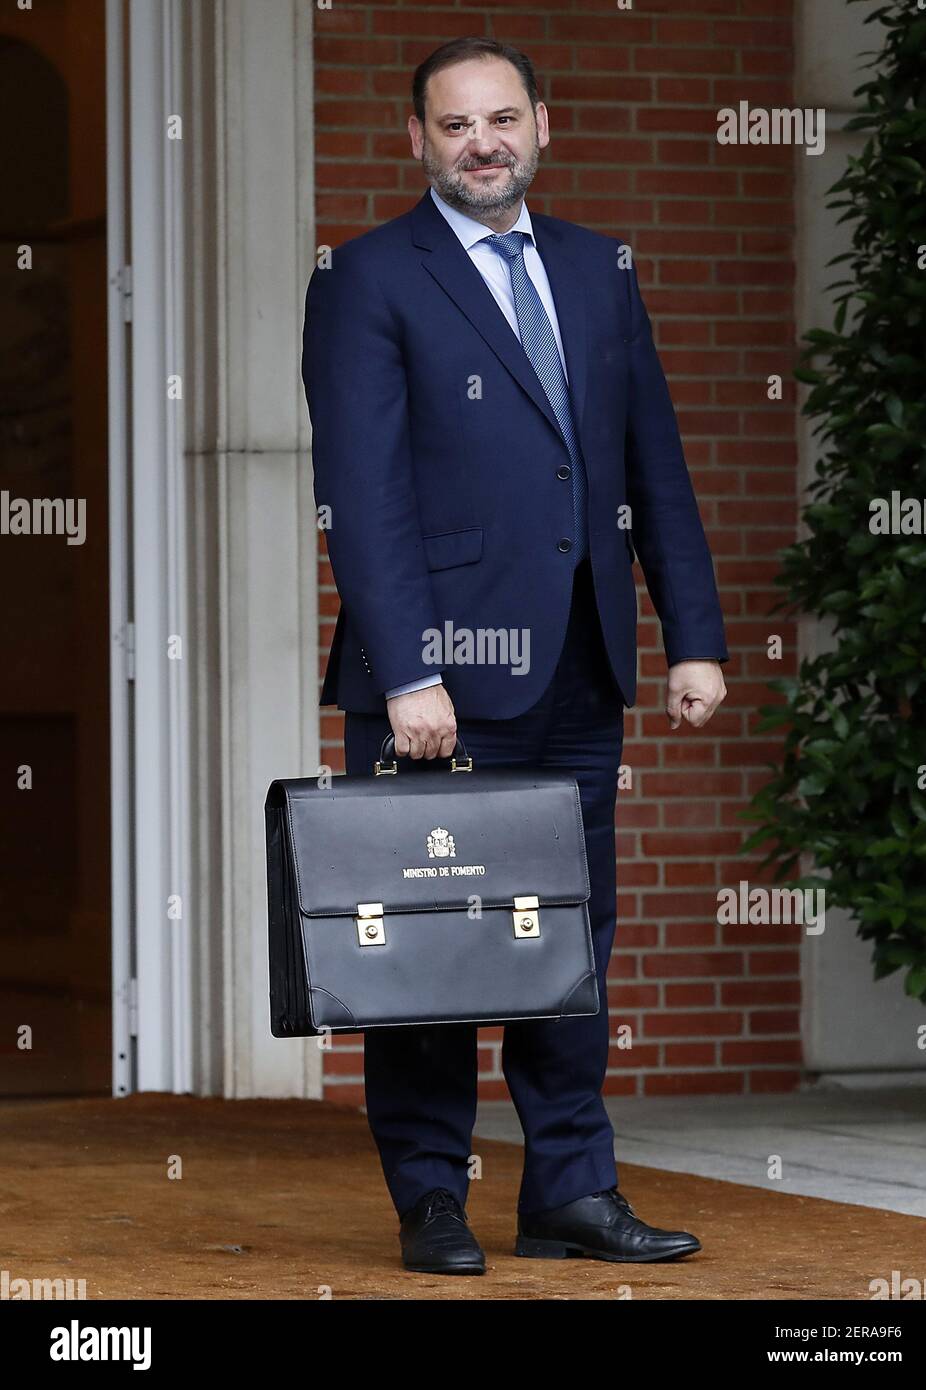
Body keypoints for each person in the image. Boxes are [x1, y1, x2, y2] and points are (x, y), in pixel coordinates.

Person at [301, 36, 728, 1276]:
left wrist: (691, 635)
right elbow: (362, 493)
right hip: (436, 686)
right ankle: (432, 1199)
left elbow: (654, 459)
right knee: (429, 949)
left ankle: (571, 1192)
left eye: (502, 120)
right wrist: (408, 670)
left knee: (566, 943)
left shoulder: (601, 269)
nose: (481, 143)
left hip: (581, 663)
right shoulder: (369, 277)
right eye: (453, 126)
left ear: (542, 124)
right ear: (417, 140)